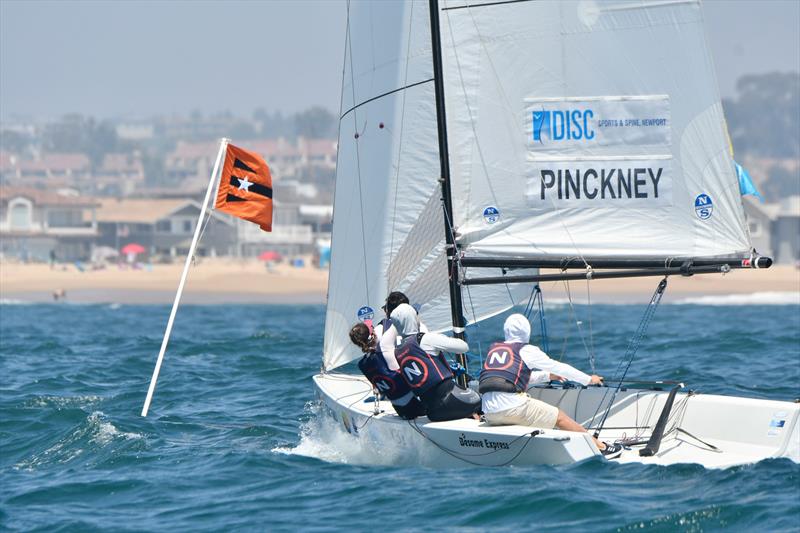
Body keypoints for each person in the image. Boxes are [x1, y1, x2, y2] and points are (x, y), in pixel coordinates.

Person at [479, 313, 621, 456]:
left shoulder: (494, 350)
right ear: (527, 331)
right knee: (560, 417)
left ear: (506, 331)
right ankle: (601, 448)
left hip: (489, 412)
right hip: (511, 409)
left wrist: (547, 376)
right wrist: (589, 379)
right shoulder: (526, 350)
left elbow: (511, 378)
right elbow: (560, 367)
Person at [390, 303, 481, 422]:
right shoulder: (425, 339)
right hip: (450, 400)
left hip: (431, 411)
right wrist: (441, 338)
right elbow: (463, 347)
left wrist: (449, 371)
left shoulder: (398, 351)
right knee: (481, 399)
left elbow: (425, 376)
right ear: (412, 319)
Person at [349, 322, 425, 420]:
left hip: (400, 410)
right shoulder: (384, 351)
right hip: (417, 405)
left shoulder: (362, 364)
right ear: (372, 333)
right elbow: (398, 322)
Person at [372, 291, 427, 371]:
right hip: (420, 371)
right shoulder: (421, 326)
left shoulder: (379, 329)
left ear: (387, 311)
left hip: (396, 375)